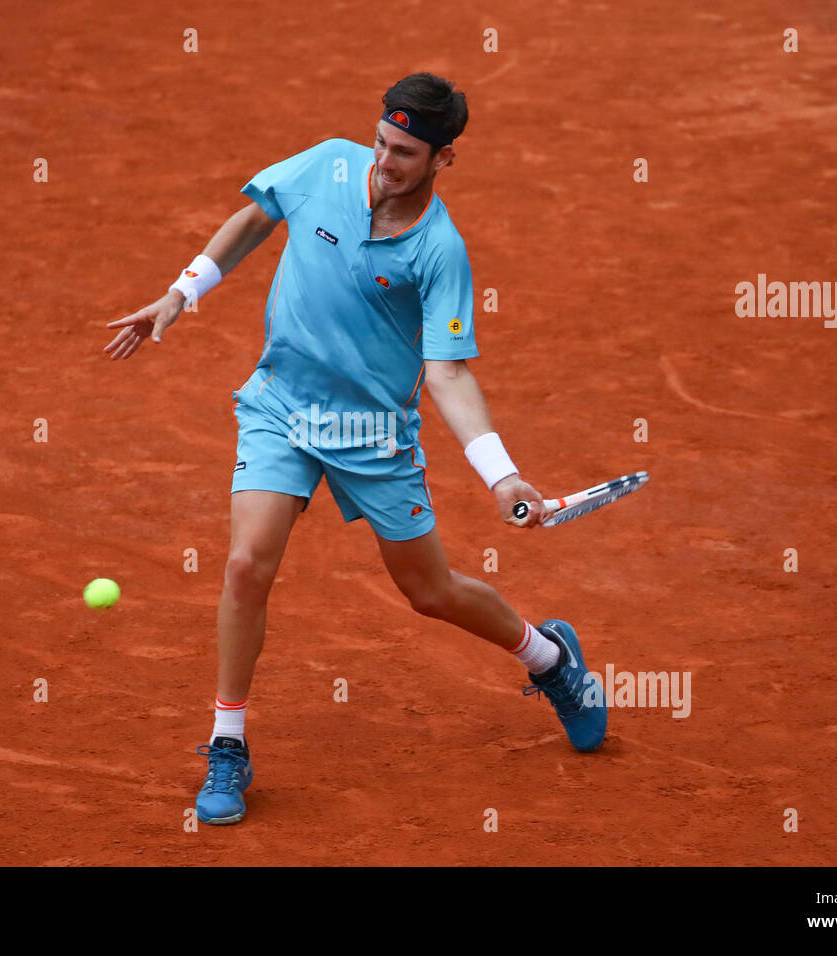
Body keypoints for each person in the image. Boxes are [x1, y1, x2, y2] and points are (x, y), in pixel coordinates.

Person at [105, 73, 607, 826]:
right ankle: (228, 743)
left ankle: (550, 660)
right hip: (280, 405)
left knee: (429, 593)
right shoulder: (329, 165)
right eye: (381, 141)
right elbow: (255, 217)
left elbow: (447, 372)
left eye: (405, 152)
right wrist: (182, 292)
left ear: (444, 160)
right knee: (246, 565)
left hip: (373, 435)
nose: (384, 162)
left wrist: (502, 477)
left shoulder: (439, 252)